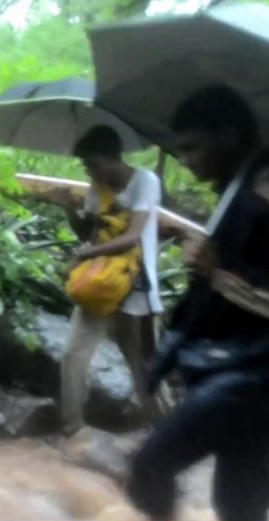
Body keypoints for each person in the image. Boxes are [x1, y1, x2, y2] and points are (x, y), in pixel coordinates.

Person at [122, 85, 269, 521]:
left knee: (150, 465)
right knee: (236, 496)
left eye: (193, 148)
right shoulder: (239, 193)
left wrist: (222, 273)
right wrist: (163, 362)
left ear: (229, 135)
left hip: (262, 372)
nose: (188, 162)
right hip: (240, 369)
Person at [50, 125, 170, 434]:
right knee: (73, 355)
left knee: (142, 361)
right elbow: (87, 235)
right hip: (101, 283)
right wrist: (68, 209)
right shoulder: (96, 188)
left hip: (136, 285)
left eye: (93, 163)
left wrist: (86, 255)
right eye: (86, 166)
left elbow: (132, 237)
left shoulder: (145, 181)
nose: (90, 171)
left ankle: (164, 427)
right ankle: (73, 428)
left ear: (114, 158)